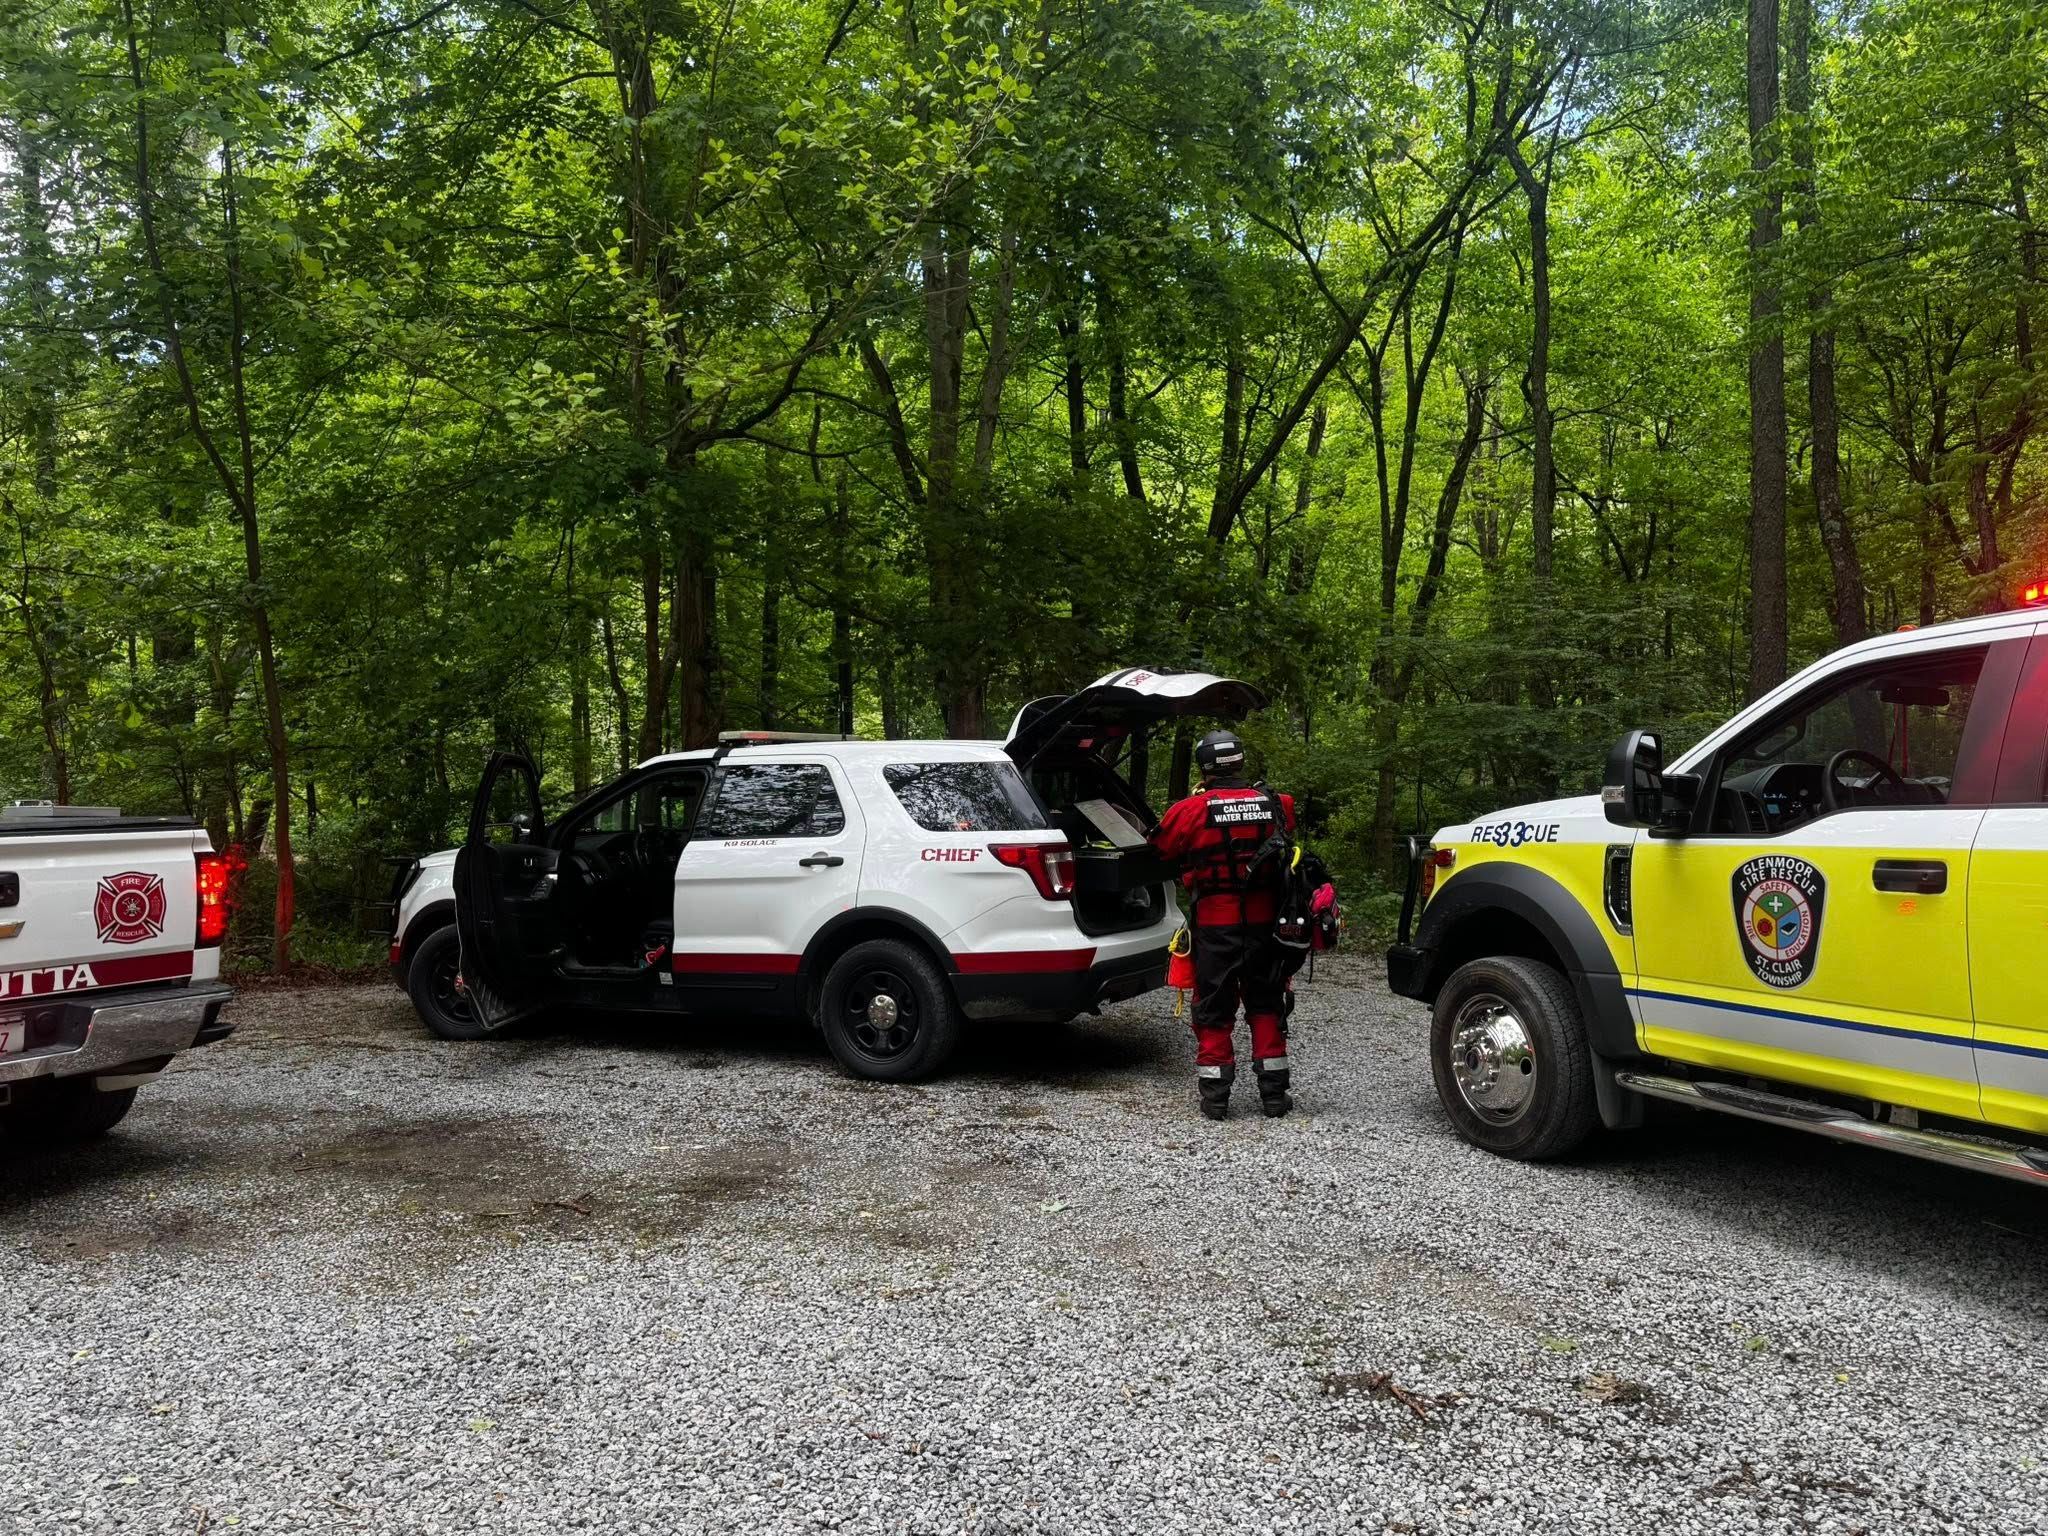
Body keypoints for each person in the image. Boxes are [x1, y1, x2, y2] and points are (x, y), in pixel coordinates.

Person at [1149, 729, 1297, 1121]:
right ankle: (1275, 1098)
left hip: (1216, 929)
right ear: (1240, 762)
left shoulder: (1190, 811)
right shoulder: (1278, 804)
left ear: (1205, 767)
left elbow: (1161, 848)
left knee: (1213, 1007)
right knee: (1266, 1003)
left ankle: (1215, 1099)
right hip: (1268, 928)